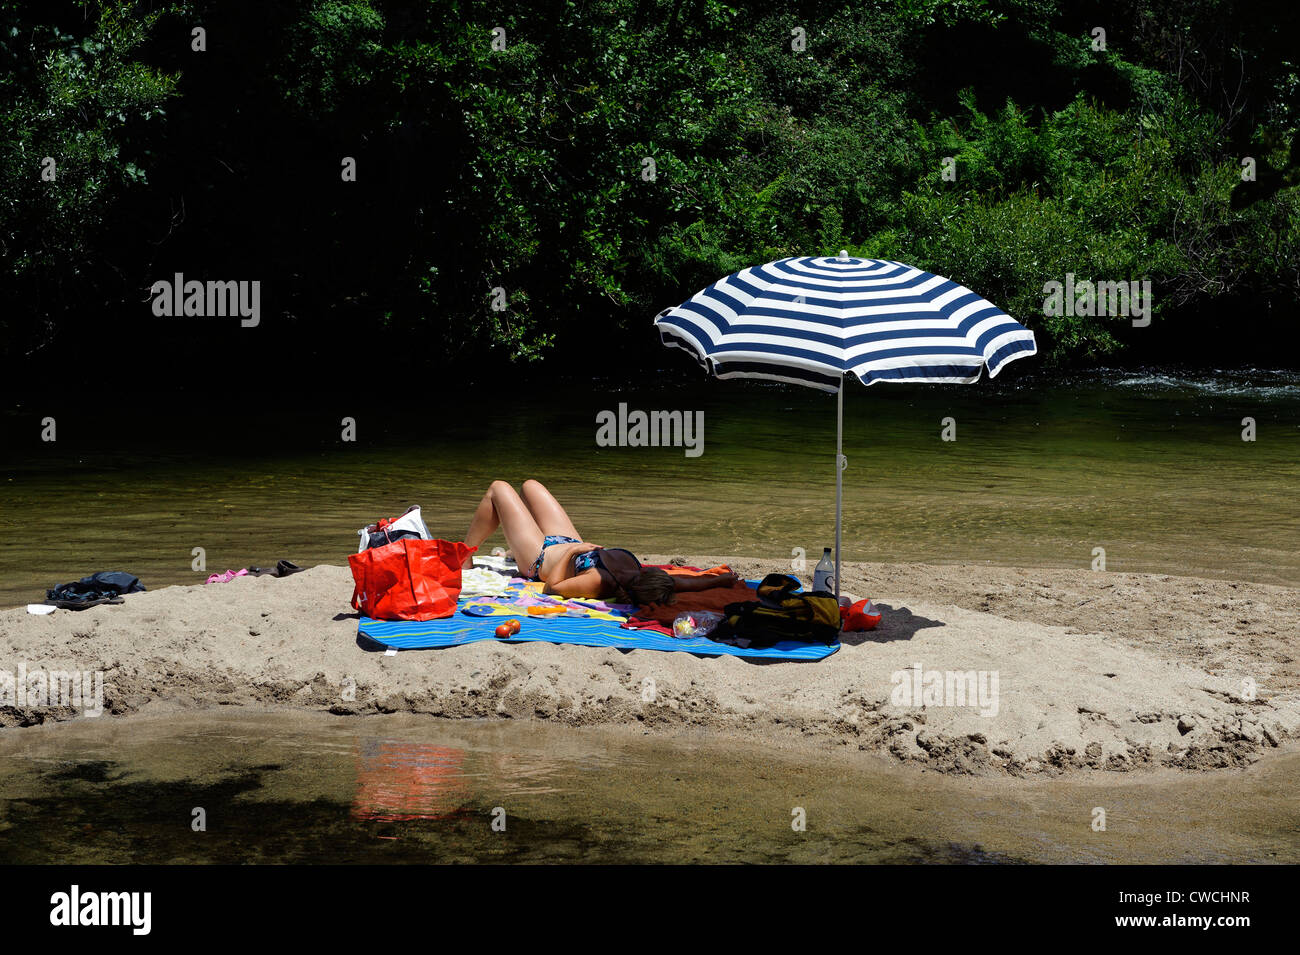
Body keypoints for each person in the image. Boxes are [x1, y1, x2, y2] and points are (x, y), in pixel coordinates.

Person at [462, 480, 737, 604]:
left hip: (540, 559)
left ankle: (464, 557)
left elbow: (552, 588)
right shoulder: (641, 575)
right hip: (567, 541)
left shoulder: (599, 582)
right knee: (530, 486)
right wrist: (720, 580)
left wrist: (573, 551)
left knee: (498, 489)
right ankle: (515, 545)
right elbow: (688, 583)